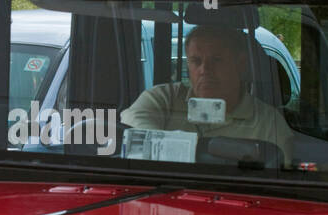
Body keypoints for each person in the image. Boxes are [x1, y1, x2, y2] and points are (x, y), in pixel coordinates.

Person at [120, 22, 293, 163]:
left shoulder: (270, 124)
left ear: (240, 65)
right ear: (188, 64)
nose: (204, 70)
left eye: (216, 60)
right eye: (196, 61)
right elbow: (132, 140)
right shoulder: (162, 99)